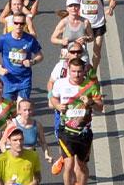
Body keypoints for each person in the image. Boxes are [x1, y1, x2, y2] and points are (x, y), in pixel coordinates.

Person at [47, 56, 101, 185]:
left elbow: (100, 107)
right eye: (73, 71)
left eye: (79, 71)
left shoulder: (91, 86)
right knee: (69, 164)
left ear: (84, 71)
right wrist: (58, 106)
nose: (76, 74)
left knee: (81, 165)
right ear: (69, 71)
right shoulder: (60, 83)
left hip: (84, 133)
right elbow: (53, 98)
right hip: (66, 131)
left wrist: (91, 102)